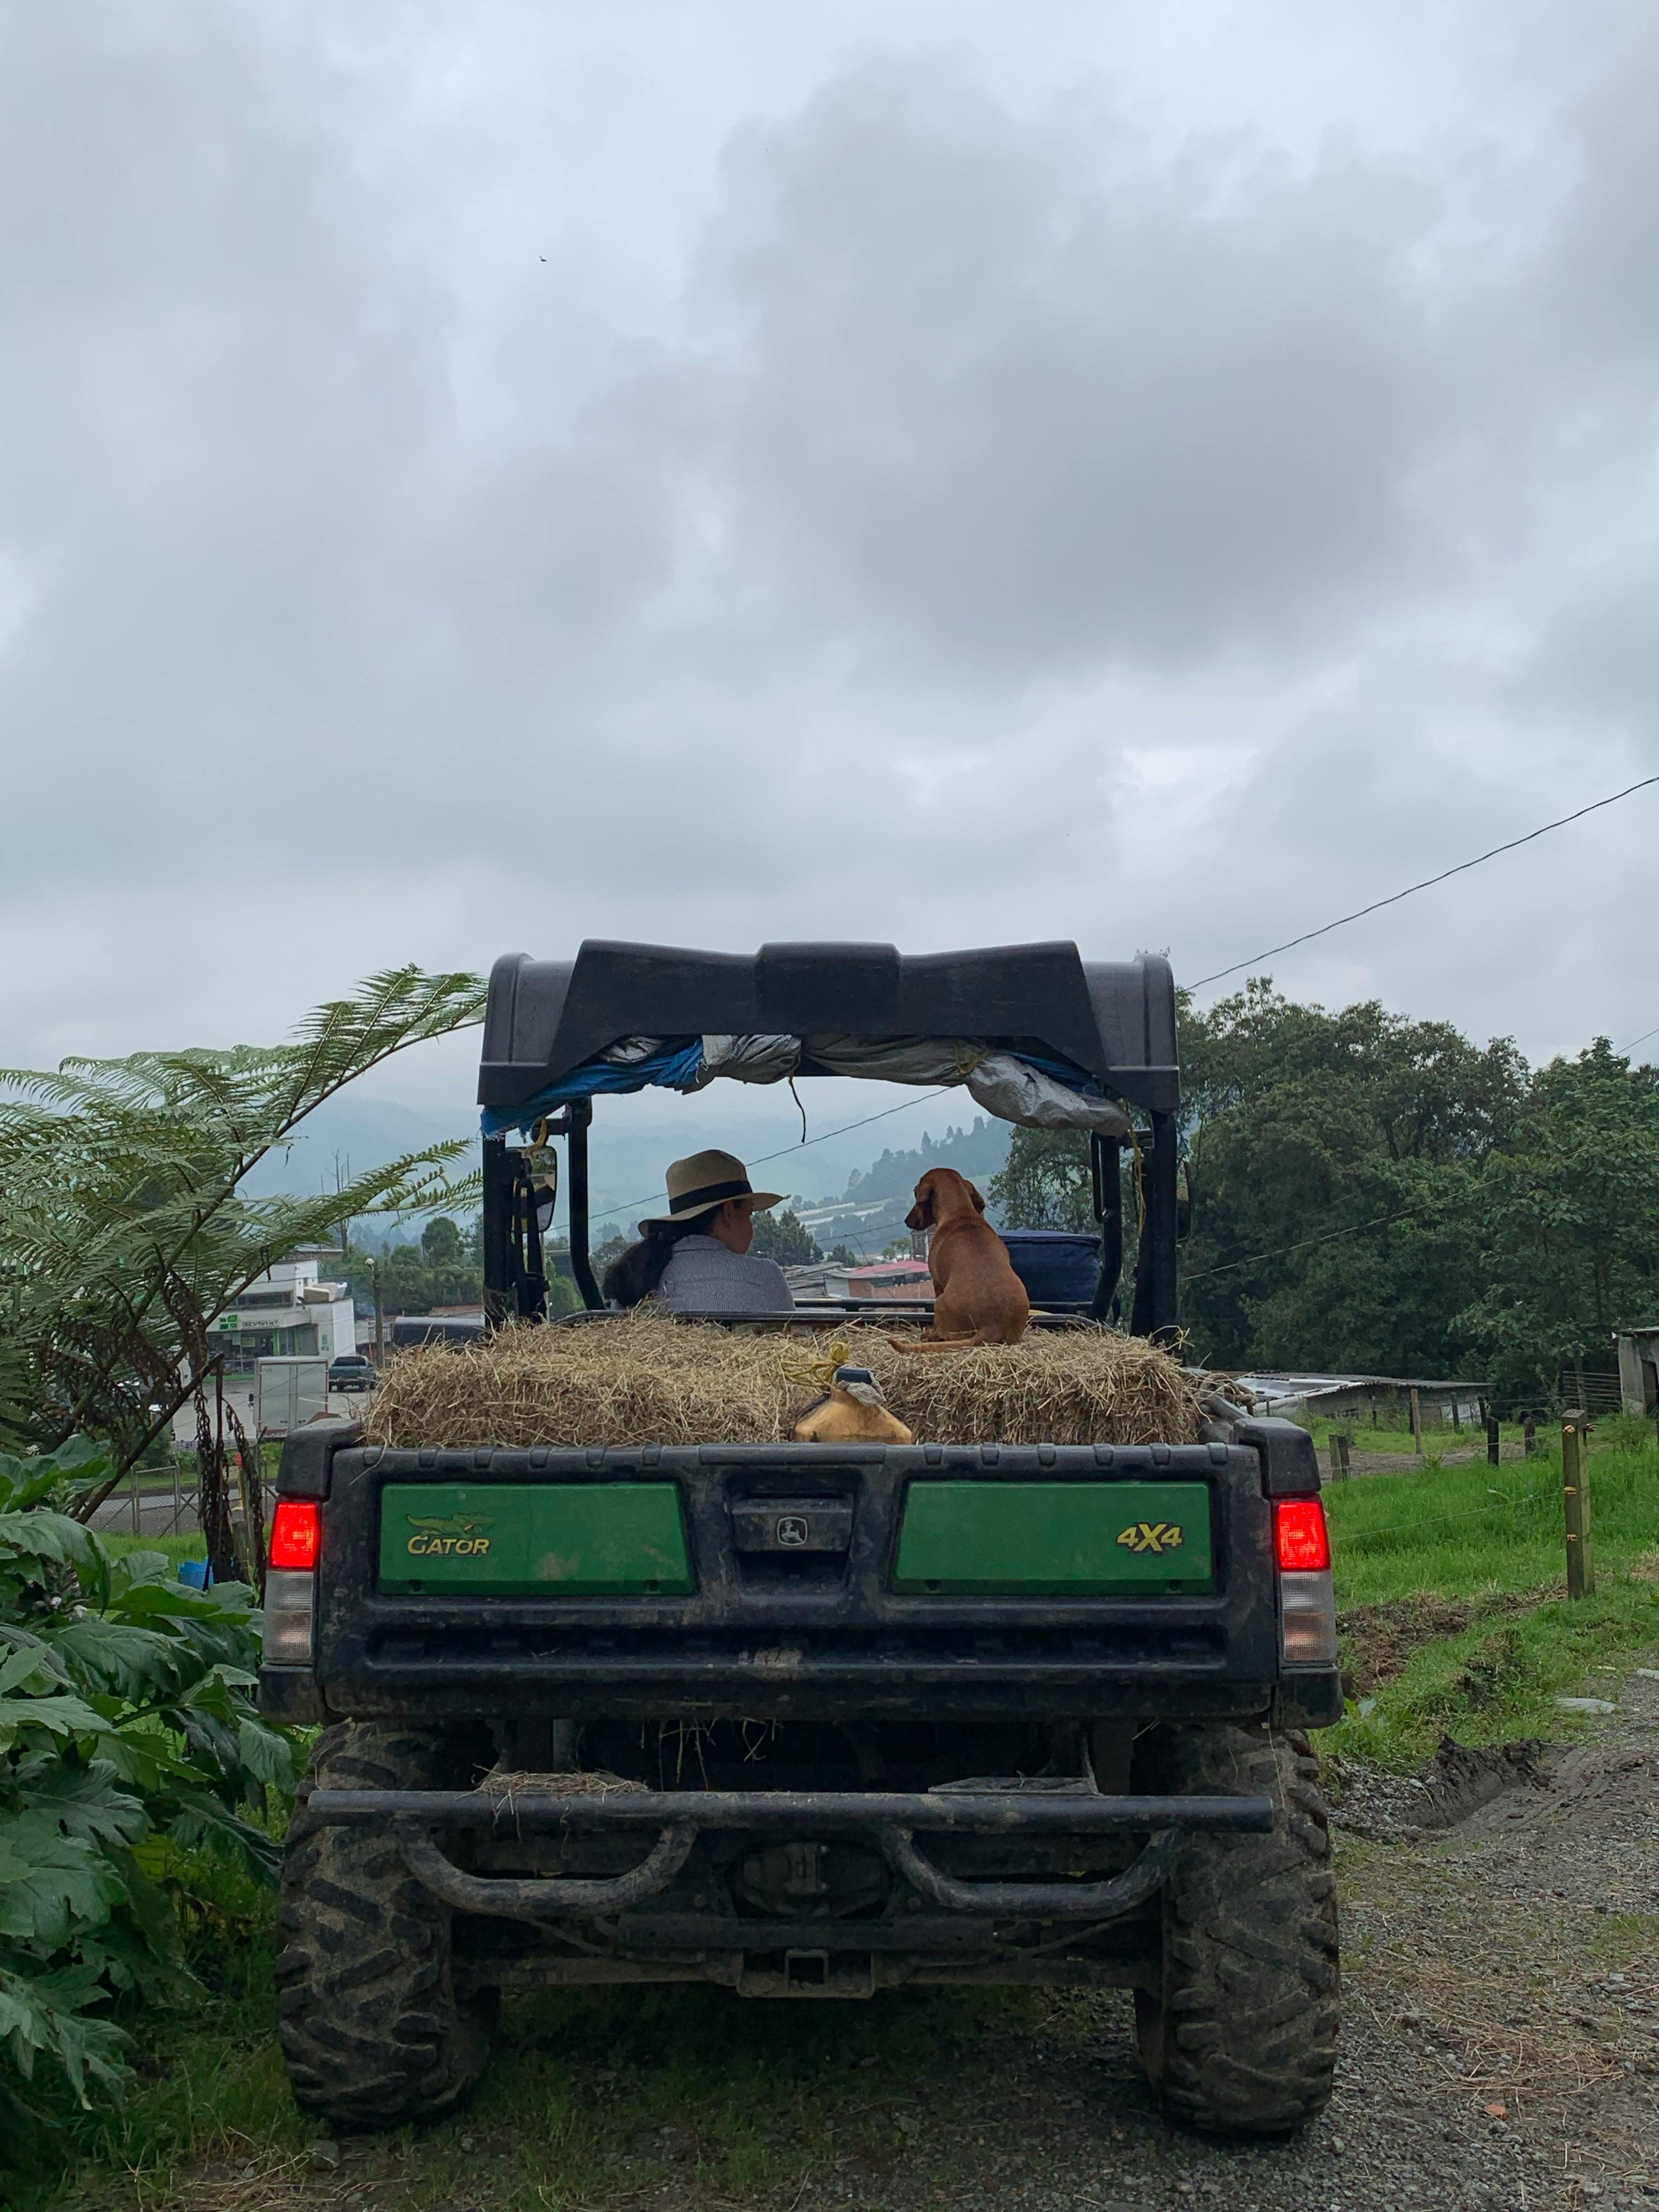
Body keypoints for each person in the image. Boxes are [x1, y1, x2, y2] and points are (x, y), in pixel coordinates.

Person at [601, 1149, 794, 1316]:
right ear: (728, 1214)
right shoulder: (763, 1278)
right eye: (749, 1214)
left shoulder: (634, 1283)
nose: (752, 1227)